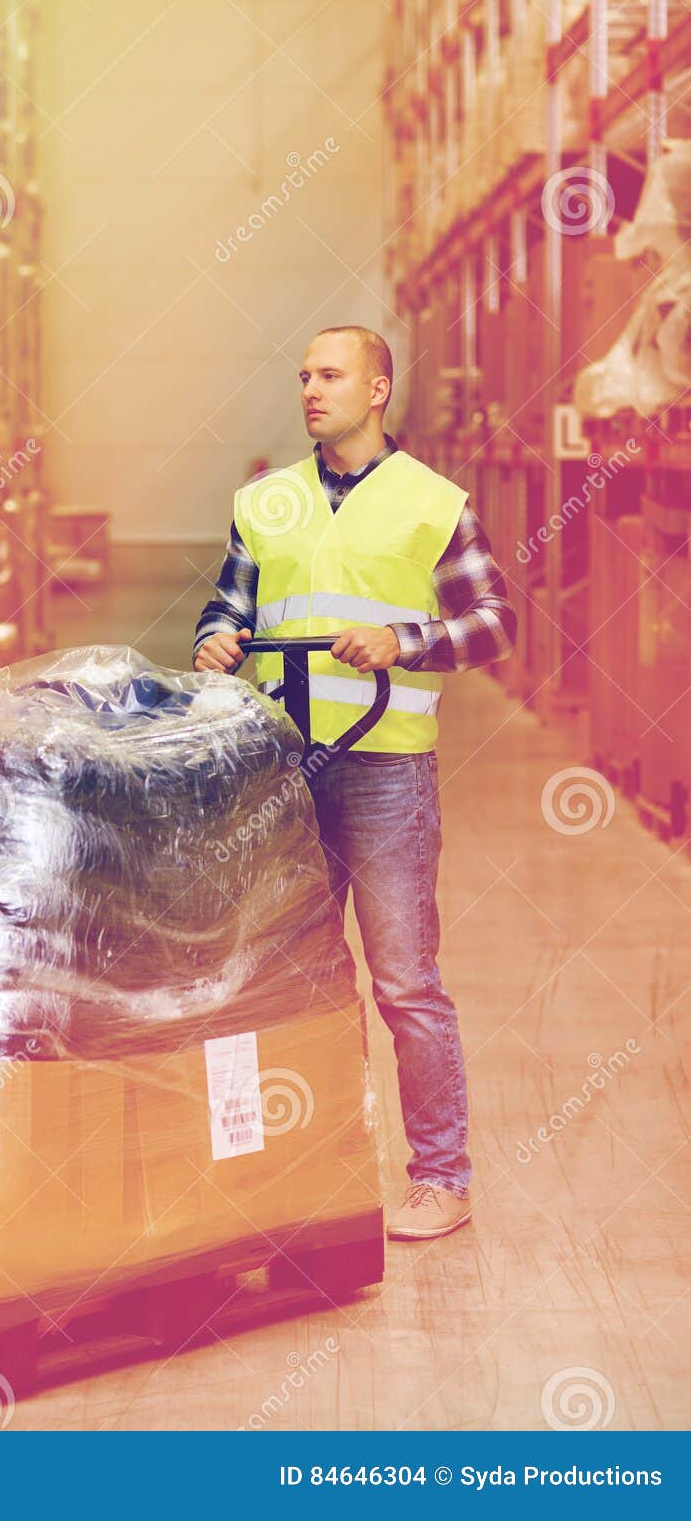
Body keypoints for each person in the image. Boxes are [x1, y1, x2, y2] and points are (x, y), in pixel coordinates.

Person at [193, 325, 516, 1240]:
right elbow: (230, 603)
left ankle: (441, 1179)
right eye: (303, 376)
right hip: (284, 771)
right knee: (290, 982)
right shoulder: (267, 502)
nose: (311, 389)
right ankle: (308, 1181)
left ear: (378, 389)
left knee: (405, 981)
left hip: (384, 772)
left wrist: (405, 641)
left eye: (330, 376)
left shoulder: (431, 502)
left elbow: (494, 623)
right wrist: (216, 639)